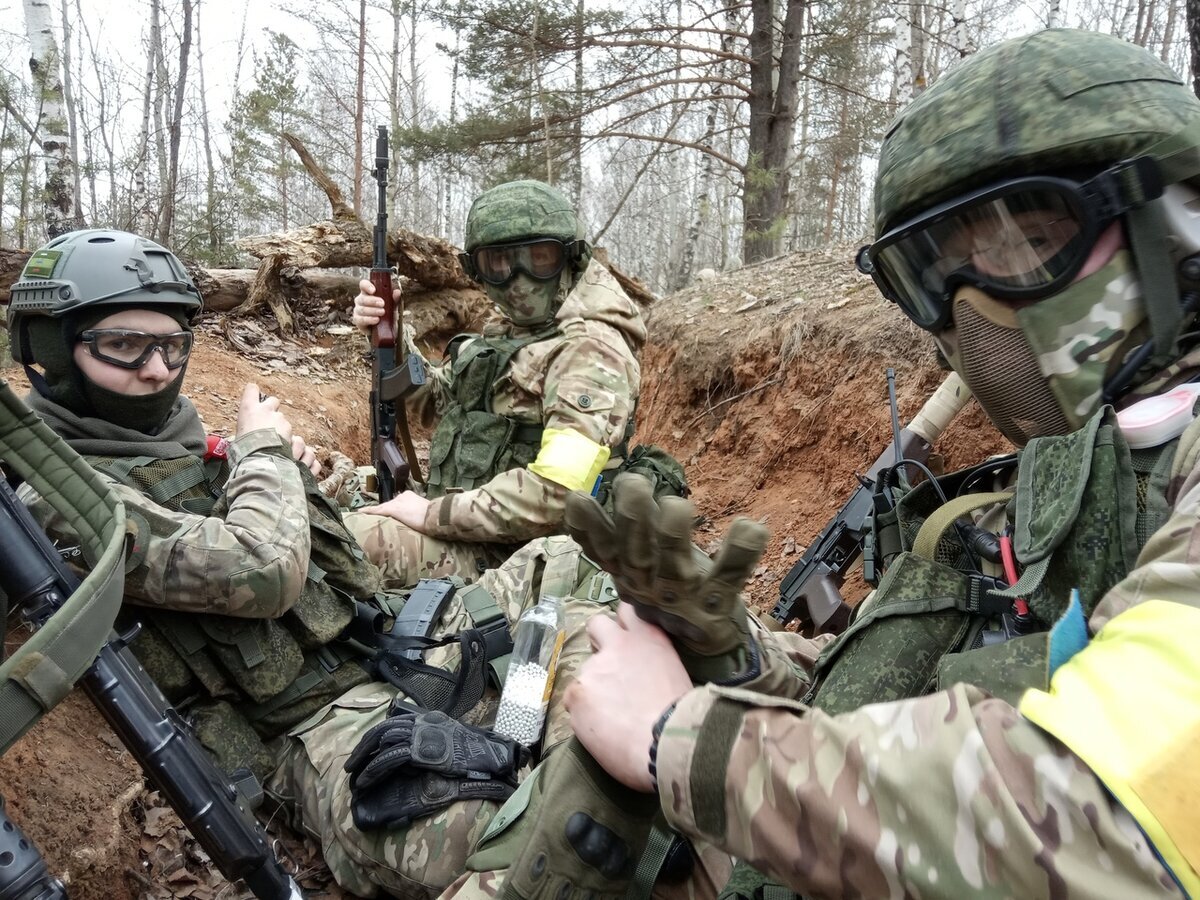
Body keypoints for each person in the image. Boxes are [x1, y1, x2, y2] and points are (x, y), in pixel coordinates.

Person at [561, 29, 1200, 900]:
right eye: (936, 271)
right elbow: (890, 704)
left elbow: (1095, 813)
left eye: (1022, 238)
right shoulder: (1066, 473)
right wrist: (728, 654)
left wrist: (675, 736)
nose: (973, 311)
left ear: (1172, 214)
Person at [4, 228, 647, 900]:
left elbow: (294, 528)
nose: (158, 369)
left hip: (383, 650)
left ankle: (538, 752)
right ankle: (557, 789)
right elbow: (263, 569)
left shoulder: (169, 443)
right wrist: (265, 455)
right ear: (51, 352)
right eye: (125, 345)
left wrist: (308, 476)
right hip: (310, 728)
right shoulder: (63, 502)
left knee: (583, 620)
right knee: (492, 843)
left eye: (170, 344)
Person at [346, 179, 681, 588]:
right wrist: (389, 334)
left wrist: (433, 515)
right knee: (338, 500)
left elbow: (560, 492)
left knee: (353, 542)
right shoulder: (511, 334)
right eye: (499, 265)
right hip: (482, 526)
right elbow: (433, 404)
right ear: (477, 272)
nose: (519, 280)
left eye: (538, 259)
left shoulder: (591, 351)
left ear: (571, 259)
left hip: (539, 556)